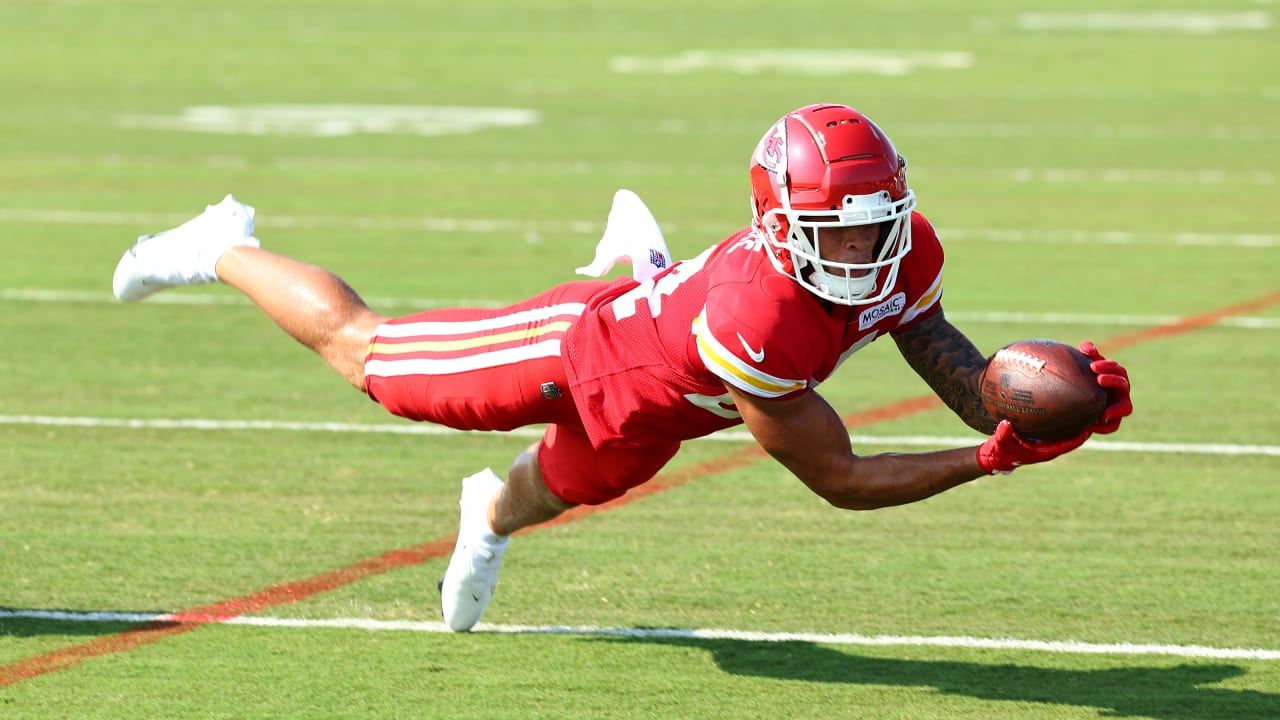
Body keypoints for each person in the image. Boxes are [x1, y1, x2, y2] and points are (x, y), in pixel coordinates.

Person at [111, 103, 1133, 632]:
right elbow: (839, 479)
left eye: (876, 227)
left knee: (551, 493)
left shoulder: (899, 248)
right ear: (780, 224)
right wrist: (991, 461)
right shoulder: (760, 313)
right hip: (585, 354)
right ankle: (219, 244)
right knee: (372, 362)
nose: (865, 251)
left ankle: (483, 514)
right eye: (841, 230)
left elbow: (939, 349)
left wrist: (1023, 403)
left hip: (675, 404)